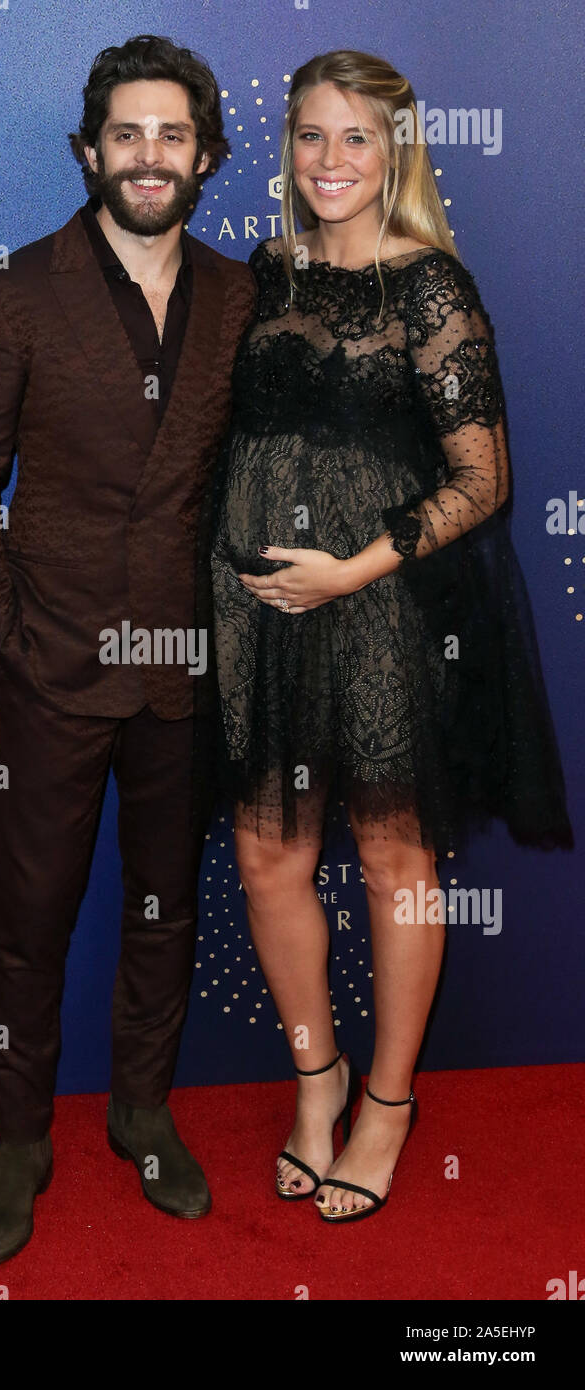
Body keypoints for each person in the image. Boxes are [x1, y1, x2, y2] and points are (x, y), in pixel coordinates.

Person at [210, 49, 573, 1223]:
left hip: (379, 613)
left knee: (393, 864)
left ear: (397, 151)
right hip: (261, 611)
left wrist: (348, 571)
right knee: (269, 853)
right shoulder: (267, 273)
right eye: (311, 136)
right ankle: (314, 1079)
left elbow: (485, 479)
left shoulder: (432, 287)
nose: (331, 161)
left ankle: (389, 1101)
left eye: (357, 137)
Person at [0, 34, 256, 1263]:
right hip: (52, 666)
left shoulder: (239, 298)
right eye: (126, 133)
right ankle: (21, 1138)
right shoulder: (12, 290)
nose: (149, 154)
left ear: (206, 155)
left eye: (172, 134)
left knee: (165, 910)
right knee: (31, 916)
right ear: (89, 152)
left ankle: (140, 1112)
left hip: (183, 666)